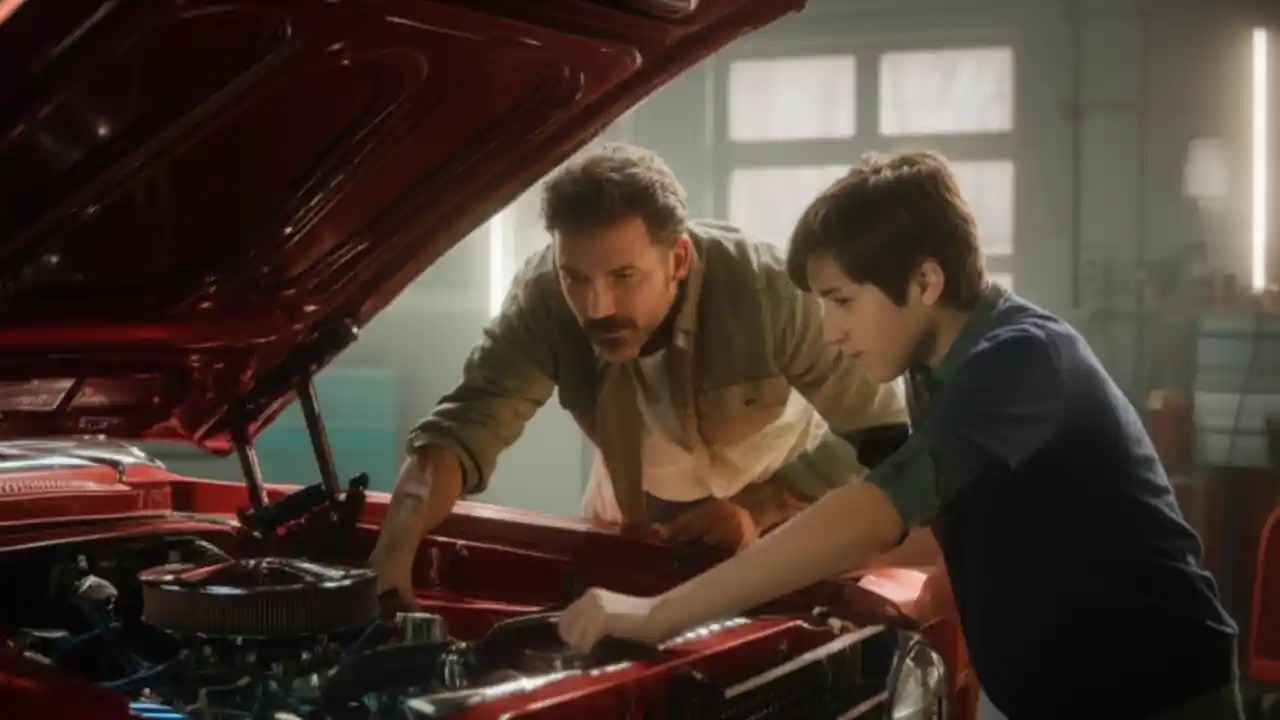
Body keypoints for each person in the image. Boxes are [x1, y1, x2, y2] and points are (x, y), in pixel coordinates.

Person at [556, 150, 1244, 719]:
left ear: (924, 279)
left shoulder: (1023, 360)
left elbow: (876, 515)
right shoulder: (933, 369)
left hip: (1159, 698)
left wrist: (660, 614)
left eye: (843, 301)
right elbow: (938, 525)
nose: (828, 331)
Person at [369, 143, 911, 609]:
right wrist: (392, 548)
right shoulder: (542, 298)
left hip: (787, 494)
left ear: (677, 259)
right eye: (574, 277)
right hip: (633, 498)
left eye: (623, 276)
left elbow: (884, 436)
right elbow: (462, 427)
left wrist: (760, 507)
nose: (596, 306)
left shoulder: (770, 293)